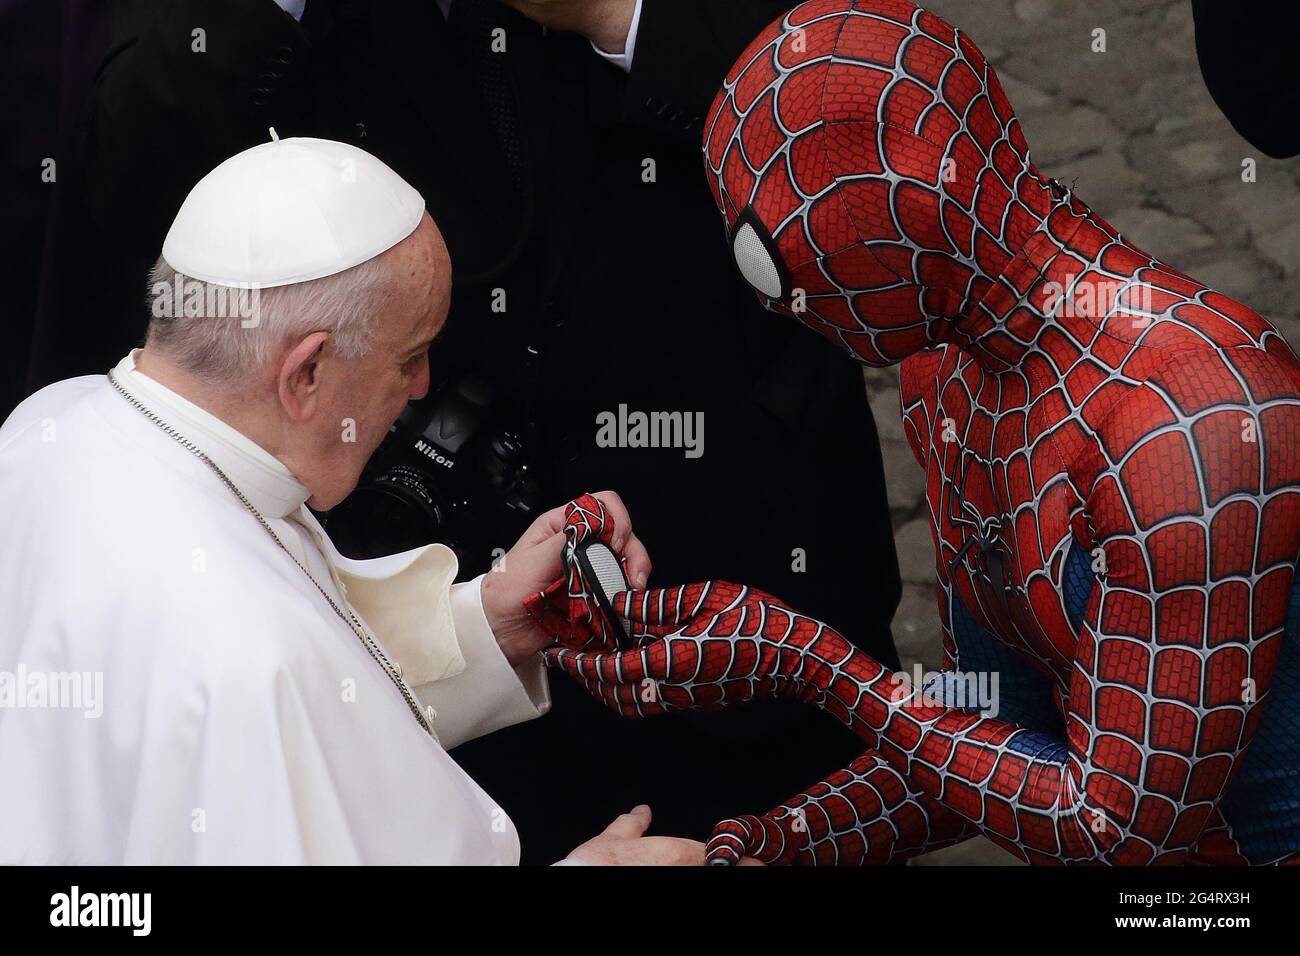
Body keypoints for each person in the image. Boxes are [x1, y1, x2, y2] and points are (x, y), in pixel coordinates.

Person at [66, 0, 904, 862]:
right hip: (410, 543)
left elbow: (879, 128)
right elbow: (132, 180)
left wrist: (619, 14)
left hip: (743, 534)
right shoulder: (223, 635)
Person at [546, 0, 1300, 865]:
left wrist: (809, 663)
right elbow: (996, 730)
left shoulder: (1190, 420)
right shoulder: (945, 369)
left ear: (890, 236)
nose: (779, 310)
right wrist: (766, 842)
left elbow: (1115, 822)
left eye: (786, 271)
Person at [0, 135, 702, 865]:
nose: (426, 386)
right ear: (304, 375)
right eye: (410, 355)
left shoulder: (52, 424)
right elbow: (265, 683)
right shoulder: (246, 656)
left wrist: (487, 626)